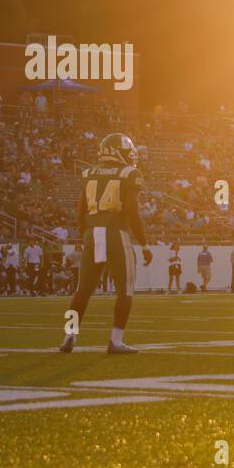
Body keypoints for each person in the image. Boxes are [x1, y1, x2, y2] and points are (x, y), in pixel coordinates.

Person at [60, 133, 148, 353]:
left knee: (82, 291)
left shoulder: (89, 173)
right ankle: (115, 341)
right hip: (116, 231)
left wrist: (87, 234)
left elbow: (80, 212)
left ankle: (69, 336)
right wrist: (144, 244)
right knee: (125, 291)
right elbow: (132, 212)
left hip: (92, 232)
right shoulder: (129, 173)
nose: (131, 155)